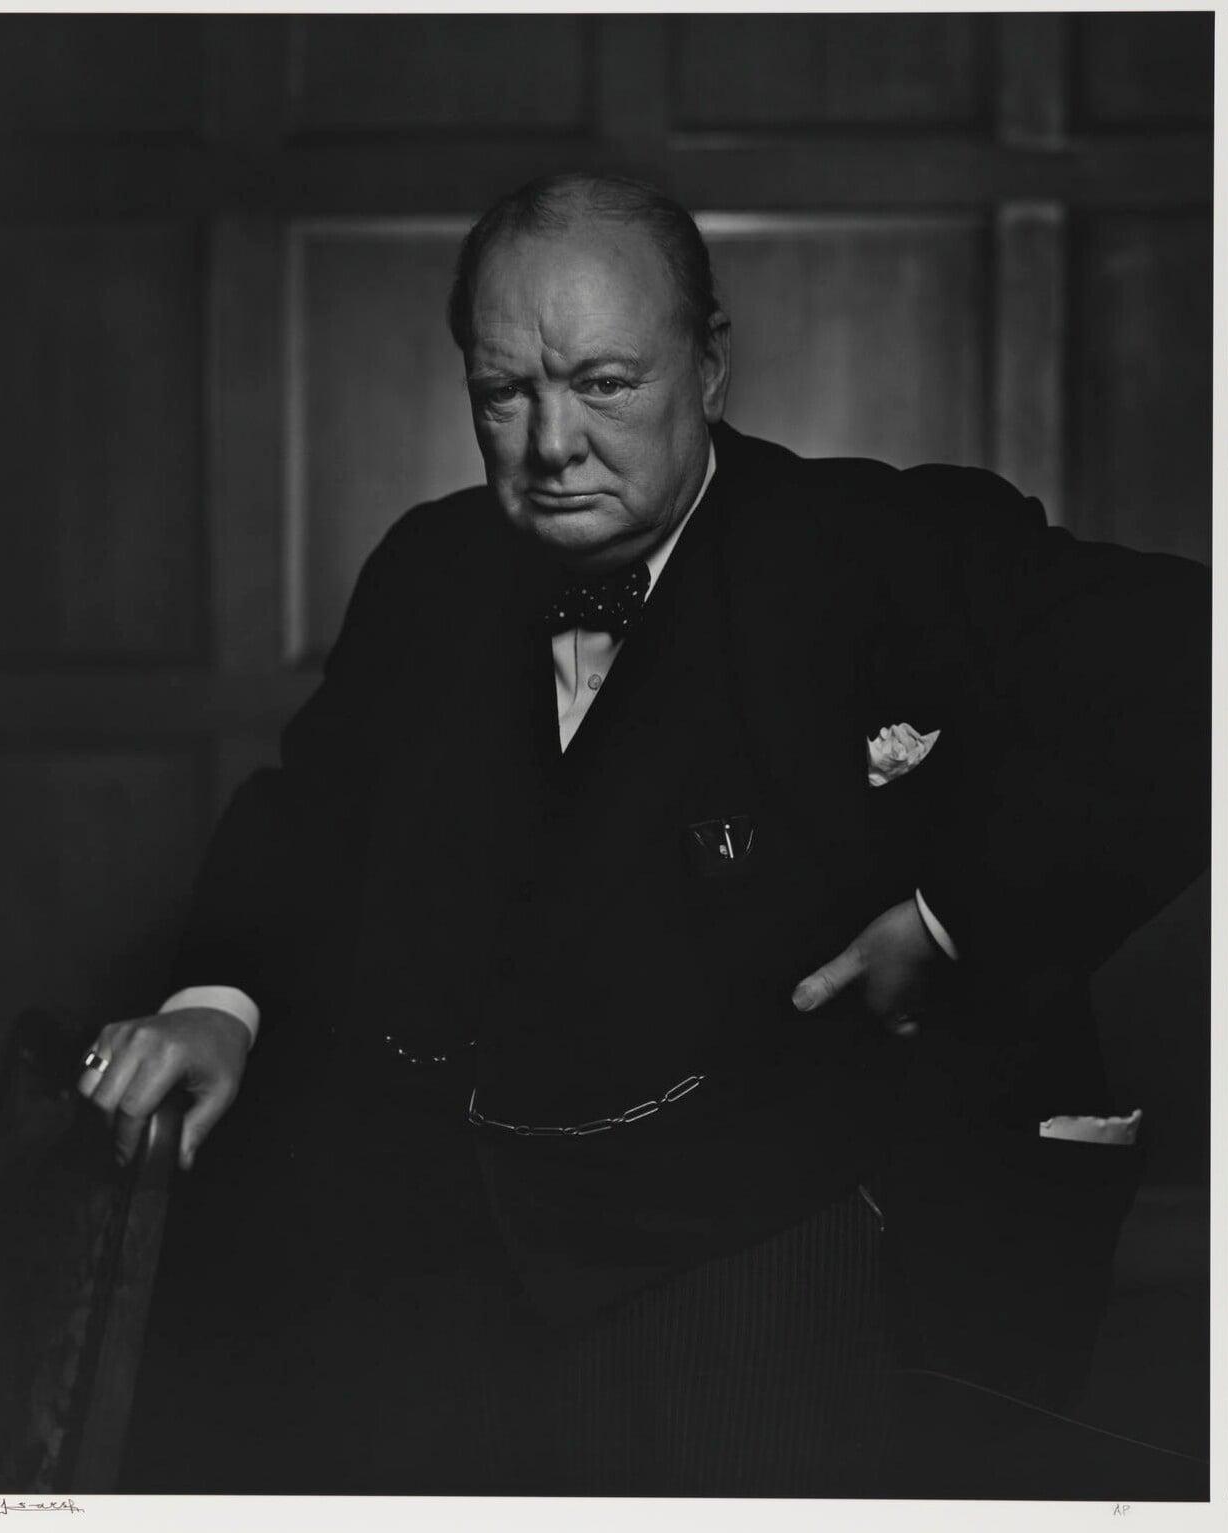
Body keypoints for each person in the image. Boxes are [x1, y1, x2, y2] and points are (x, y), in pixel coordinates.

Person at [78, 173, 1208, 1497]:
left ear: (708, 369)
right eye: (504, 392)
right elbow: (312, 809)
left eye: (603, 383)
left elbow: (1195, 666)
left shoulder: (882, 541)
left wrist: (955, 918)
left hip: (780, 1242)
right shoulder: (431, 565)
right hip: (464, 1236)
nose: (549, 441)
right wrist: (220, 1001)